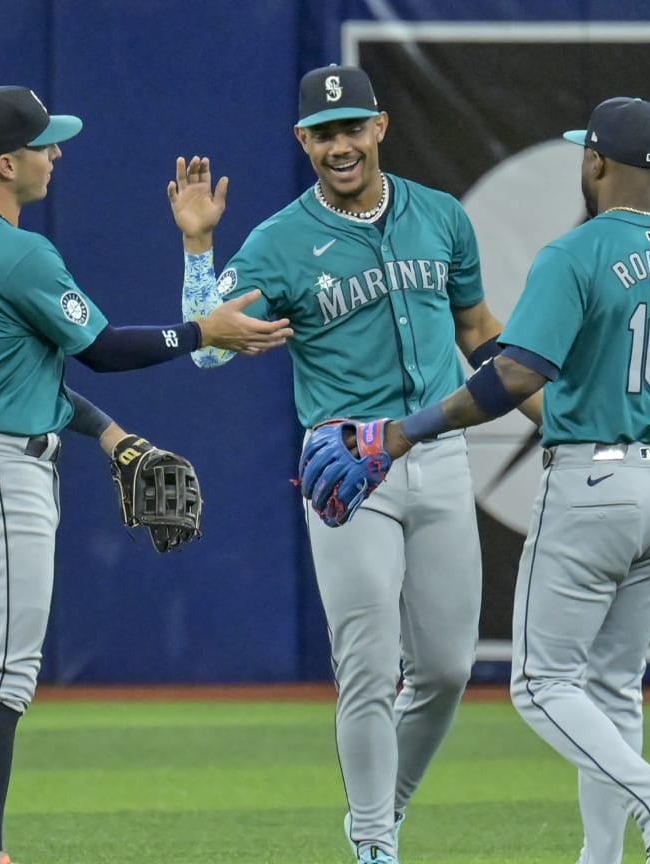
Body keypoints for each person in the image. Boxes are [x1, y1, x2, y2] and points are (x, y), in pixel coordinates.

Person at [298, 97, 650, 864]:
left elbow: (515, 373)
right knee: (613, 687)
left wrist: (400, 431)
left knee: (541, 686)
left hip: (595, 485)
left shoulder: (576, 253)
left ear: (595, 162)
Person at [0, 85, 292, 864]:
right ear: (8, 161)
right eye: (46, 144)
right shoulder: (17, 251)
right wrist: (201, 330)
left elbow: (27, 375)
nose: (57, 155)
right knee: (0, 683)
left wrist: (110, 435)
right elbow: (102, 349)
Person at [172, 66, 534, 864]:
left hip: (437, 452)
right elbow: (206, 355)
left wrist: (558, 417)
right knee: (367, 665)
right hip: (346, 464)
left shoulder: (440, 217)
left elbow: (477, 327)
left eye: (352, 127)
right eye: (323, 132)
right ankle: (374, 845)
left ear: (381, 128)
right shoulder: (280, 240)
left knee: (444, 668)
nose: (341, 144)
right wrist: (199, 243)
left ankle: (382, 814)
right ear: (303, 142)